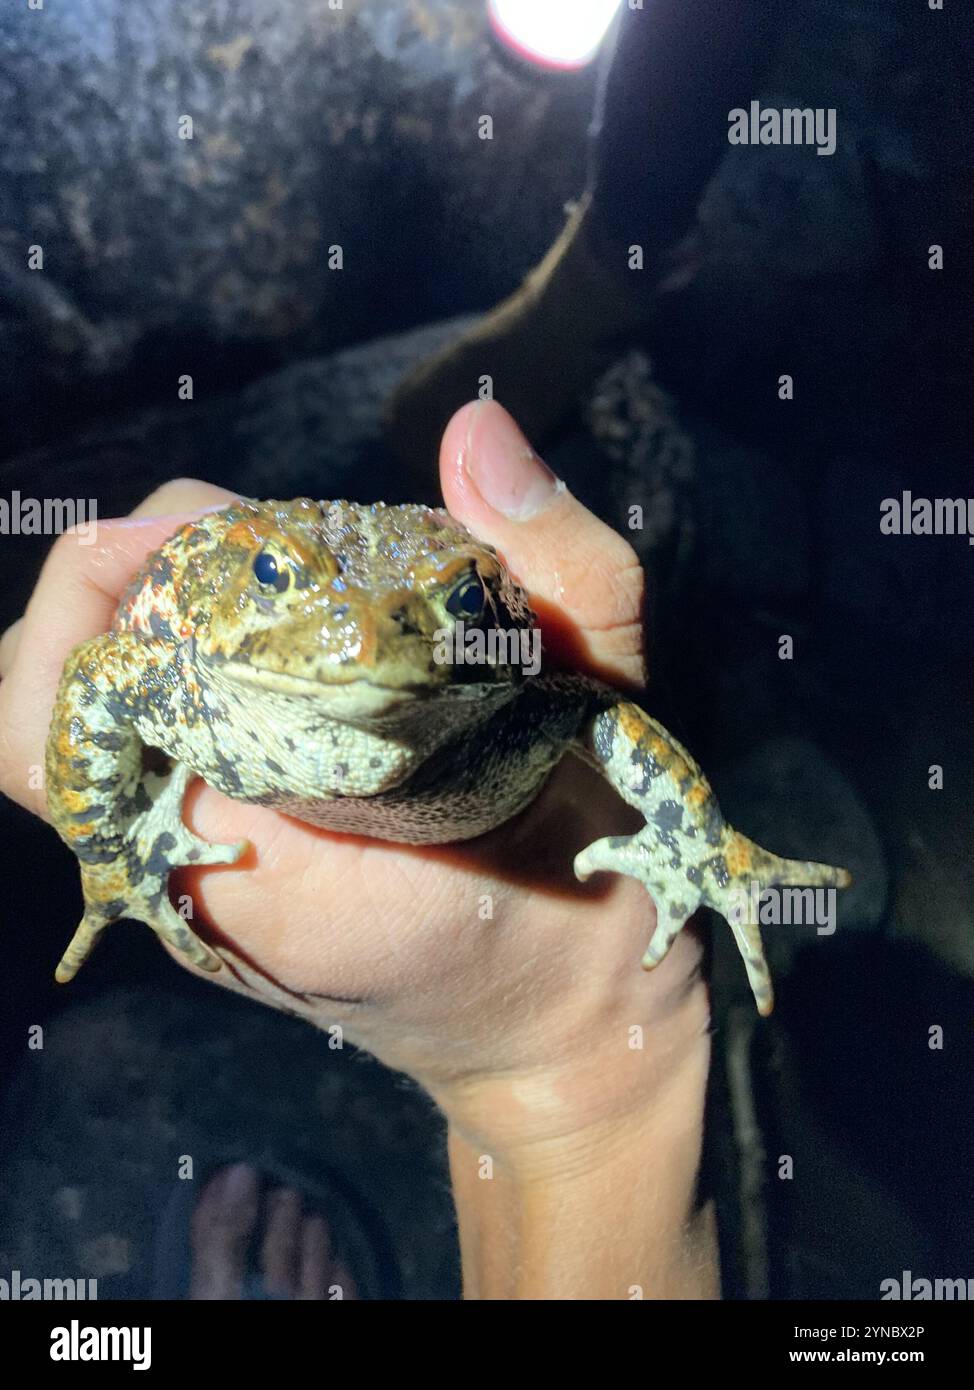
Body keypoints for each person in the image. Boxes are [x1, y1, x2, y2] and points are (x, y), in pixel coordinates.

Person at [0, 401, 718, 1299]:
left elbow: (595, 711)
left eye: (454, 602)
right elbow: (101, 673)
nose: (368, 637)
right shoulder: (188, 683)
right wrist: (107, 848)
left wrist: (700, 853)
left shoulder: (516, 711)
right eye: (275, 573)